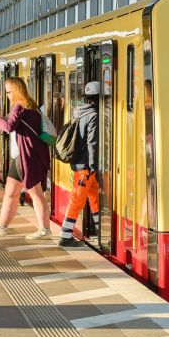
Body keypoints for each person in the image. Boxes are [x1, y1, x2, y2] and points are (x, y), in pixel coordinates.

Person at [0, 77, 51, 240]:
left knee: (36, 193)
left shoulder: (20, 106)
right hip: (20, 156)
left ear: (16, 90)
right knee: (11, 192)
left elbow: (8, 127)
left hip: (27, 156)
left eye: (8, 91)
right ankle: (2, 226)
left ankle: (44, 230)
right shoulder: (29, 106)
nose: (6, 95)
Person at [58, 81, 100, 247]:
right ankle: (65, 236)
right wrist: (93, 165)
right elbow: (92, 142)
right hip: (85, 166)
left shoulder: (78, 112)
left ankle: (99, 228)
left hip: (77, 162)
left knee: (94, 193)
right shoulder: (94, 115)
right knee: (77, 199)